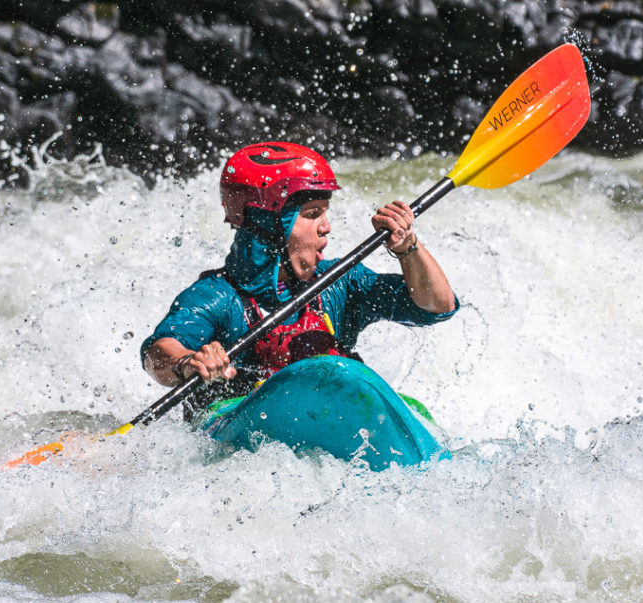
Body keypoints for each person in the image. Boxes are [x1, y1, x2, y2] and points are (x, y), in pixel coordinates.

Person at [141, 142, 459, 420]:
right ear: (268, 225)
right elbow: (157, 352)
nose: (326, 228)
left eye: (325, 213)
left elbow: (438, 307)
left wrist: (408, 249)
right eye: (311, 214)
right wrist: (187, 362)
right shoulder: (217, 297)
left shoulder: (341, 284)